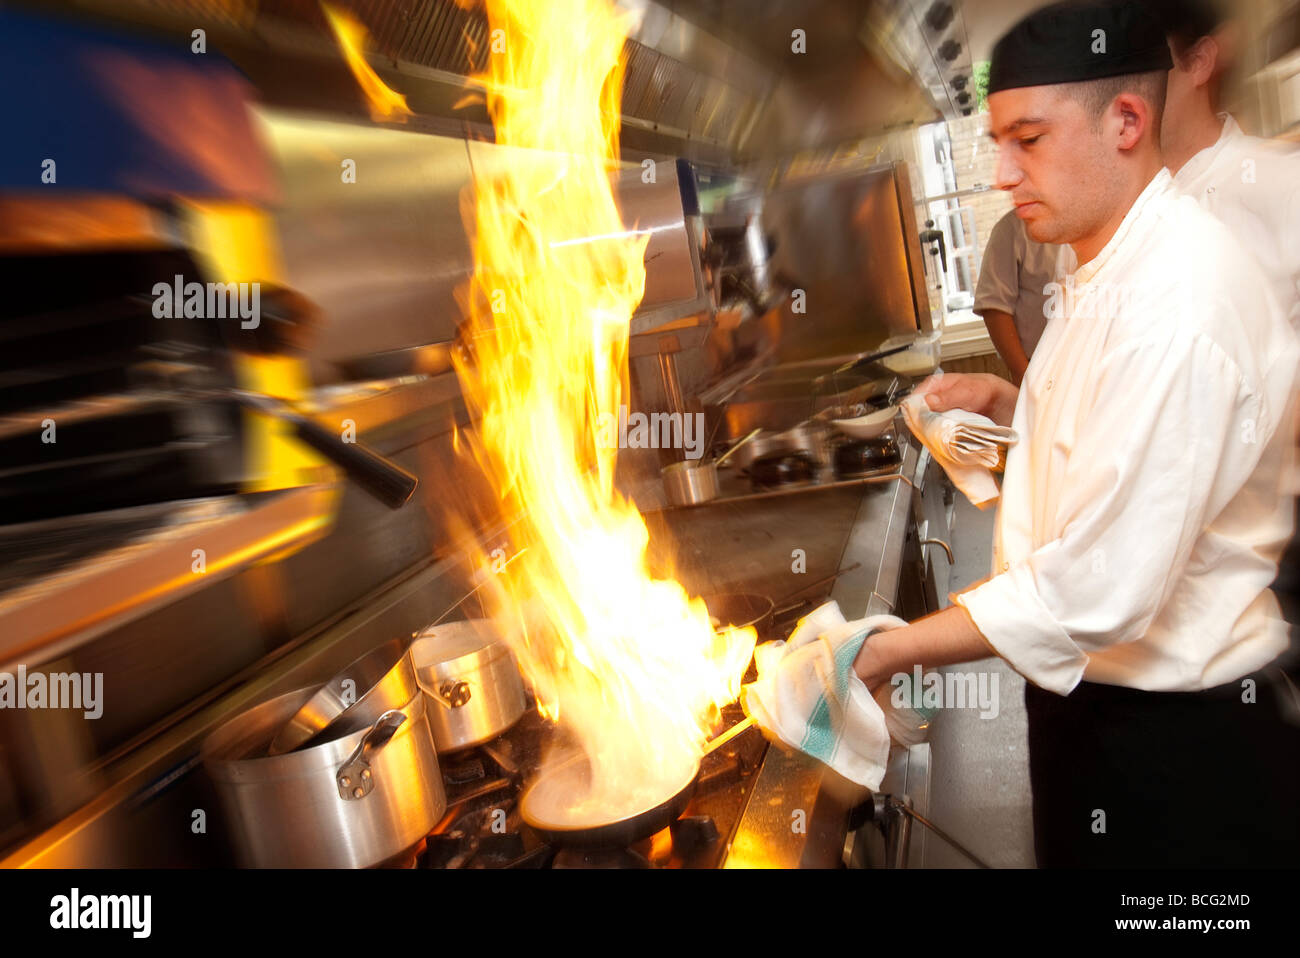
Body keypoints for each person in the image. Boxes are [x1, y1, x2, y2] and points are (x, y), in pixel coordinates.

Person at [844, 0, 1299, 867]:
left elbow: (1101, 580)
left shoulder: (1178, 302)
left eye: (1030, 139)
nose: (1003, 174)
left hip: (1175, 755)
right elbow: (1113, 445)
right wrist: (1016, 409)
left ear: (1127, 120)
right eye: (998, 141)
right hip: (1103, 713)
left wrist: (896, 649)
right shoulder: (1109, 260)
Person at [973, 210, 1061, 385]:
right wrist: (1023, 373)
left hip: (1097, 362)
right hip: (1040, 368)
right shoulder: (1012, 229)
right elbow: (994, 308)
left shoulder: (1096, 221)